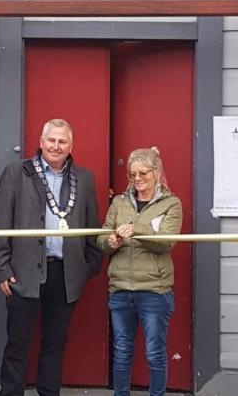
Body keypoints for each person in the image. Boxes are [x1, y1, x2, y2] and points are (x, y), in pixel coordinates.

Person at [0, 118, 102, 396]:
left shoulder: (83, 179)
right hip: (23, 273)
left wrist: (88, 267)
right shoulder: (17, 172)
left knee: (55, 342)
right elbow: (1, 221)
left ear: (70, 146)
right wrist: (1, 269)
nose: (56, 146)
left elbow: (92, 226)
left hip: (65, 275)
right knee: (17, 343)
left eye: (62, 141)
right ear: (41, 142)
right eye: (51, 140)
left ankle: (48, 392)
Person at [97, 147, 182, 396]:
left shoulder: (171, 203)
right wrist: (109, 243)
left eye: (143, 173)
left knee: (154, 352)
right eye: (132, 174)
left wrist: (137, 228)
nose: (137, 179)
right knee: (122, 350)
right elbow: (102, 238)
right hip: (121, 288)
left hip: (154, 290)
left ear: (157, 172)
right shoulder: (119, 202)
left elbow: (166, 242)